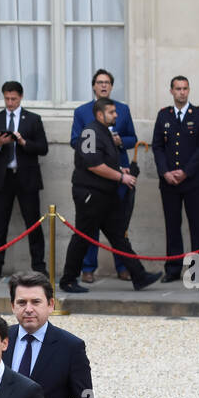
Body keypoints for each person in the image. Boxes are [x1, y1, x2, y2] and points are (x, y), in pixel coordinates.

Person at [58, 97, 161, 293]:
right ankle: (68, 280)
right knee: (82, 236)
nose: (116, 115)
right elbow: (93, 164)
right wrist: (121, 177)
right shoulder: (90, 132)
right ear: (100, 114)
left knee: (119, 236)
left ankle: (138, 276)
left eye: (115, 112)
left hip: (106, 195)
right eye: (112, 112)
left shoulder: (105, 132)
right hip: (90, 195)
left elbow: (104, 160)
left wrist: (120, 169)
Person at [70, 70, 137, 283]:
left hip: (119, 174)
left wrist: (119, 142)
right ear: (93, 86)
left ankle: (124, 267)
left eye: (107, 82)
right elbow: (75, 141)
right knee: (90, 225)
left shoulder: (122, 110)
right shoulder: (83, 112)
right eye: (100, 82)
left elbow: (132, 138)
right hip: (95, 180)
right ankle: (88, 268)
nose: (103, 86)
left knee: (119, 225)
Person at [0, 80, 49, 279]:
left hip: (27, 178)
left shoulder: (33, 119)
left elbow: (43, 148)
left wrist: (23, 142)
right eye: (6, 98)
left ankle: (39, 266)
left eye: (13, 99)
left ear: (20, 97)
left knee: (33, 224)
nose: (10, 102)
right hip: (4, 179)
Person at [152, 76, 199, 284]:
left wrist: (186, 172)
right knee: (172, 225)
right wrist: (165, 172)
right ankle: (173, 268)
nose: (182, 92)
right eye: (178, 88)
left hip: (194, 181)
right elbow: (157, 146)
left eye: (185, 88)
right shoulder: (163, 116)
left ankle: (197, 270)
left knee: (196, 226)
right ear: (171, 91)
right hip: (169, 182)